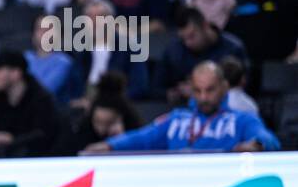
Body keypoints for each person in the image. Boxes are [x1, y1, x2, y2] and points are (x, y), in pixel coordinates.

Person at [83, 61, 280, 152]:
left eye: (210, 90)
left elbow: (267, 138)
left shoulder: (241, 120)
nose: (203, 97)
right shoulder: (177, 120)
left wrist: (257, 145)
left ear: (224, 87)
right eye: (198, 90)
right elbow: (144, 138)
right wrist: (110, 145)